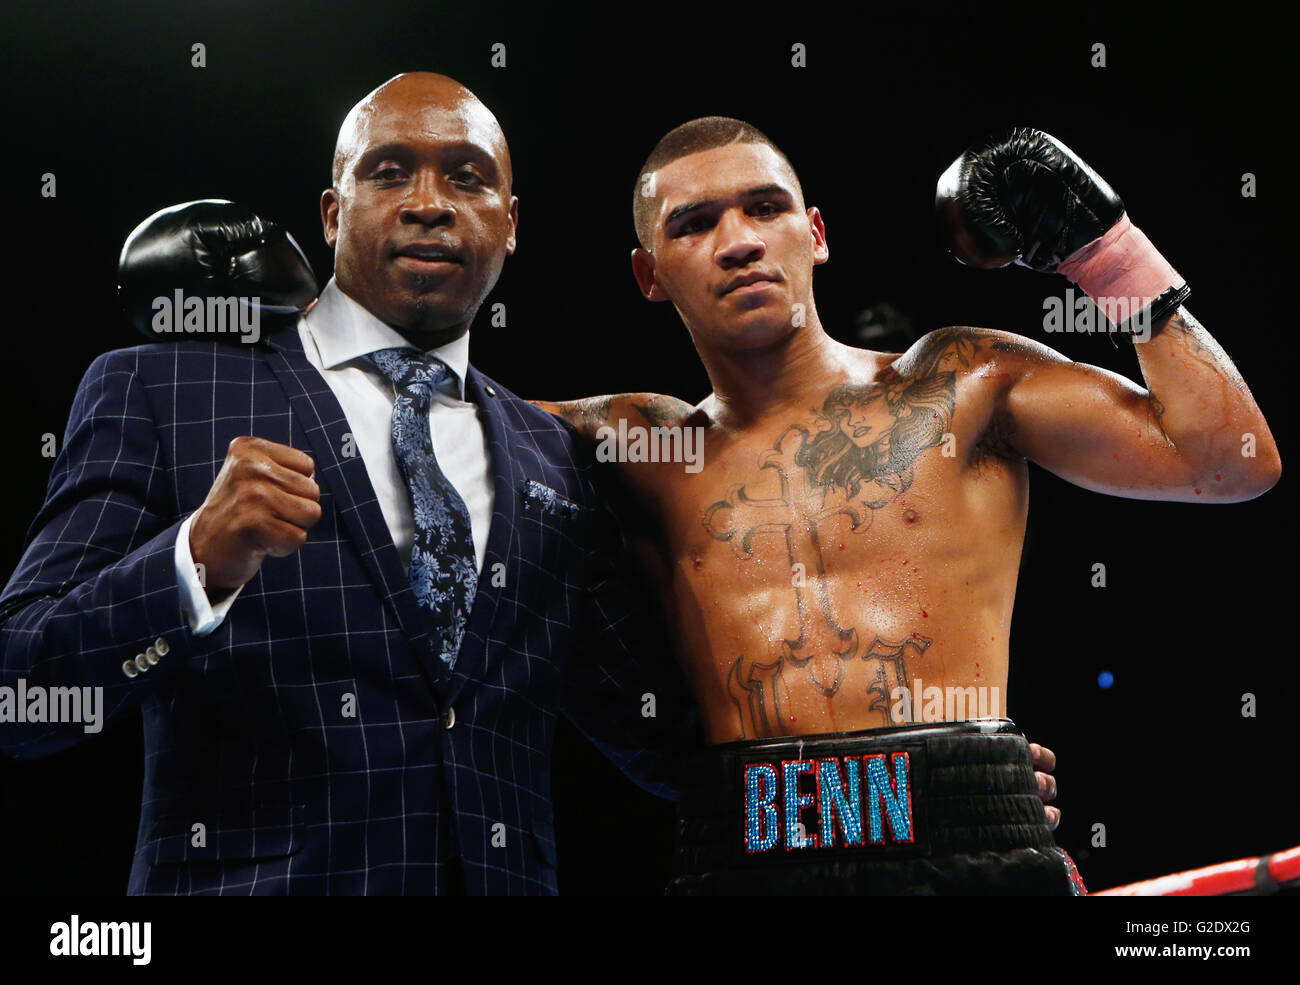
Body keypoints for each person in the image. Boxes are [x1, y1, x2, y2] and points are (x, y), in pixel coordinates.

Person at [529, 118, 1281, 894]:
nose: (740, 241)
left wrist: (1105, 250)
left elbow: (1229, 459)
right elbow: (424, 424)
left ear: (814, 233)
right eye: (693, 223)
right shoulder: (640, 445)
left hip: (969, 830)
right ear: (649, 273)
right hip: (745, 839)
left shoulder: (960, 382)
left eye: (765, 208)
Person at [0, 72, 695, 895]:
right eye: (390, 171)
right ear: (333, 213)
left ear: (510, 228)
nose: (429, 202)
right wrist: (192, 561)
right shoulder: (163, 387)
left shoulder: (552, 457)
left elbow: (669, 749)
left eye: (466, 176)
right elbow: (22, 693)